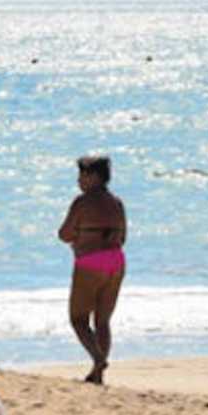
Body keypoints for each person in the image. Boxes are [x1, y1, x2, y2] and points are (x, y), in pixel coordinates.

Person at [58, 154, 127, 385]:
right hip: (116, 261)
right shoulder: (117, 203)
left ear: (94, 176)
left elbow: (64, 234)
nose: (79, 180)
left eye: (82, 175)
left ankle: (98, 359)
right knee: (103, 321)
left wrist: (80, 237)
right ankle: (98, 375)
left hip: (90, 262)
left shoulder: (82, 202)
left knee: (78, 320)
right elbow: (123, 237)